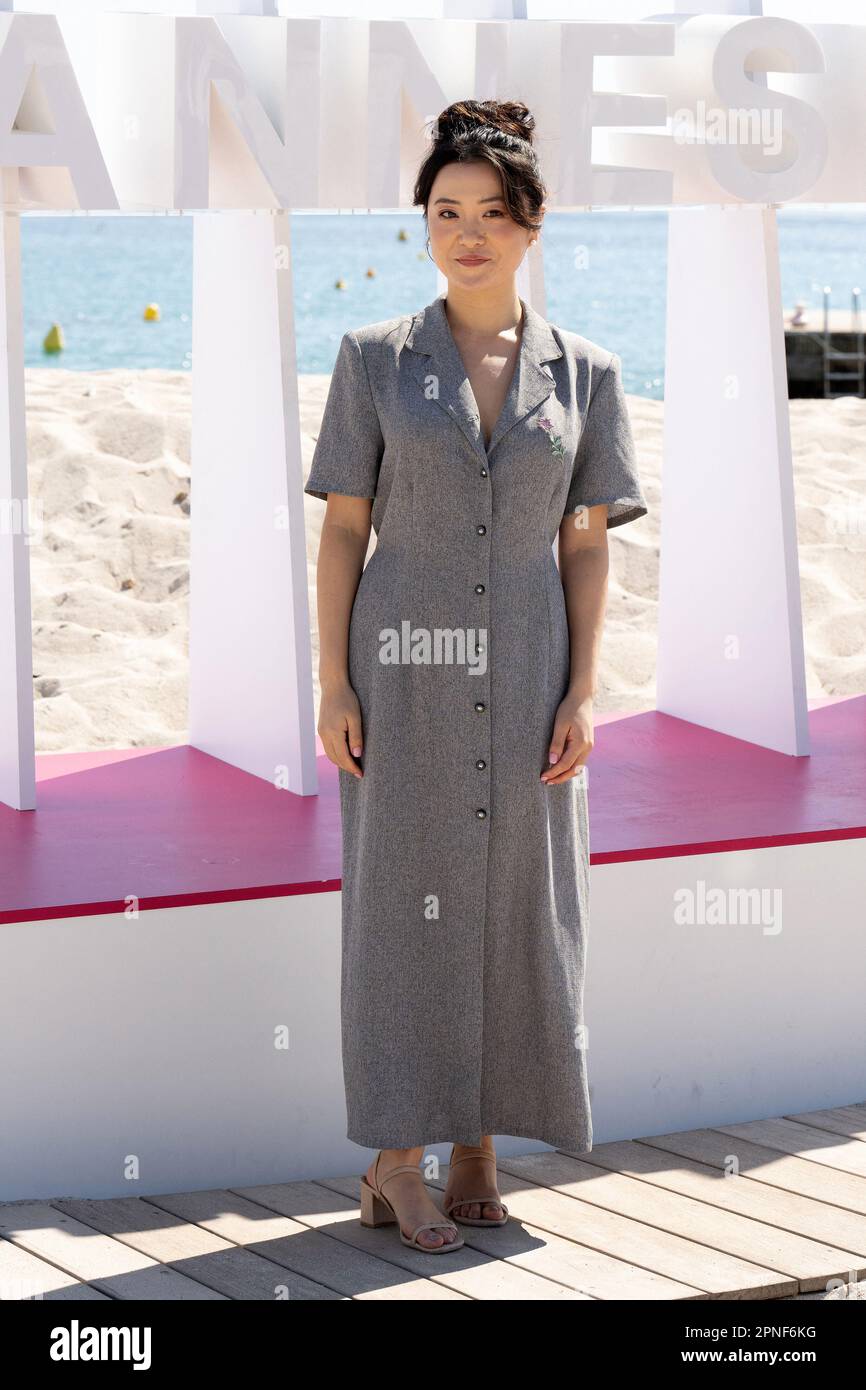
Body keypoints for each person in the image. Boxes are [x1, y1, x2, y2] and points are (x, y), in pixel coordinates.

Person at [305, 98, 648, 1254]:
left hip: (535, 662)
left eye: (489, 214)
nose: (465, 233)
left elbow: (588, 539)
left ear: (530, 226)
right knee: (403, 900)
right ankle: (394, 1159)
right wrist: (333, 682)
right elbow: (345, 528)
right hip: (398, 667)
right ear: (425, 226)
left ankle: (478, 1146)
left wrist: (585, 686)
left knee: (518, 898)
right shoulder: (371, 361)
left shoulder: (587, 373)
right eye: (444, 212)